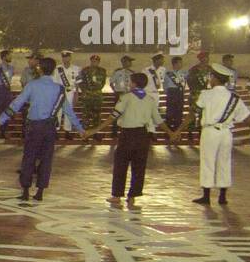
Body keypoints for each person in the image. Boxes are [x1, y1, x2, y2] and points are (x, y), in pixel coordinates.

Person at [0, 57, 86, 201]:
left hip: (34, 127)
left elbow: (16, 104)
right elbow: (69, 111)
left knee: (29, 158)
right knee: (46, 159)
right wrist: (80, 129)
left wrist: (0, 121)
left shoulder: (32, 85)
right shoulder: (59, 89)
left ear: (40, 69)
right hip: (50, 127)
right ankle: (40, 192)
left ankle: (25, 190)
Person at [107, 72, 175, 205]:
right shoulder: (149, 99)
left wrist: (94, 130)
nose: (128, 84)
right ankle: (133, 195)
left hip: (127, 134)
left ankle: (117, 195)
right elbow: (158, 120)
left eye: (130, 81)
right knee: (139, 166)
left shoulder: (126, 97)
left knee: (121, 164)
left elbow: (113, 116)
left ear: (134, 83)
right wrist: (171, 133)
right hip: (143, 135)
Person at [192, 63, 250, 205]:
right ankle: (222, 196)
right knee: (224, 162)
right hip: (226, 133)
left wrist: (178, 130)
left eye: (211, 76)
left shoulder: (206, 94)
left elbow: (194, 111)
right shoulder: (234, 97)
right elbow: (246, 118)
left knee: (208, 161)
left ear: (214, 78)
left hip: (210, 131)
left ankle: (206, 196)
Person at [76, 54, 107, 140]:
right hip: (87, 96)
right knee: (85, 116)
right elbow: (79, 80)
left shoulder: (102, 71)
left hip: (97, 96)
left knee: (97, 116)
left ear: (99, 62)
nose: (95, 62)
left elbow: (103, 82)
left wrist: (97, 90)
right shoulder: (84, 70)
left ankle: (95, 134)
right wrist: (84, 90)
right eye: (93, 61)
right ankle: (85, 135)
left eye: (96, 61)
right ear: (91, 61)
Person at [163, 55, 187, 135]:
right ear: (174, 64)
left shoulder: (184, 73)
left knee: (179, 114)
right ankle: (169, 132)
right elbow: (165, 85)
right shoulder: (168, 74)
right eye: (180, 63)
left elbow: (185, 83)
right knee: (169, 114)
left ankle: (177, 132)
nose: (181, 64)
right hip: (171, 93)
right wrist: (169, 93)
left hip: (180, 93)